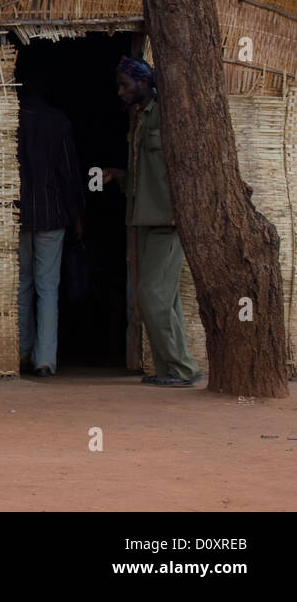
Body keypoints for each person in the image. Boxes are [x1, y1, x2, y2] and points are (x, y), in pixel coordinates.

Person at [102, 56, 202, 387]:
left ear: (144, 83)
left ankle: (183, 368)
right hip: (147, 217)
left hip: (168, 220)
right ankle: (168, 370)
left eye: (125, 85)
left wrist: (183, 208)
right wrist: (118, 176)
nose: (120, 92)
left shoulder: (166, 114)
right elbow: (148, 173)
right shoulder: (142, 117)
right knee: (164, 297)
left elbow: (187, 165)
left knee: (151, 295)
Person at [16, 72, 85, 377]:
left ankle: (21, 352)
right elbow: (69, 173)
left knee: (21, 285)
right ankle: (44, 360)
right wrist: (77, 216)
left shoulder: (9, 117)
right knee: (48, 288)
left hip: (17, 215)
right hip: (52, 216)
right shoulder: (58, 121)